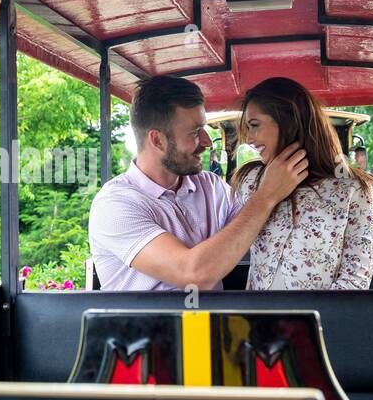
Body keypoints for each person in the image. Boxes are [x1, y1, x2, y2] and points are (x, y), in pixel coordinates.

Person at [88, 75, 307, 291]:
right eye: (194, 133)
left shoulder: (210, 186)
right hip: (150, 327)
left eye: (204, 129)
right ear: (157, 140)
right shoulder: (115, 205)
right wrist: (266, 194)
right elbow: (194, 274)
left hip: (209, 325)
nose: (207, 141)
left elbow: (255, 224)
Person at [232, 78, 373, 291]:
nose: (248, 138)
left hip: (322, 319)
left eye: (255, 125)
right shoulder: (250, 181)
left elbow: (355, 276)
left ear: (289, 122)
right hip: (259, 317)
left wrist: (308, 322)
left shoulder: (352, 188)